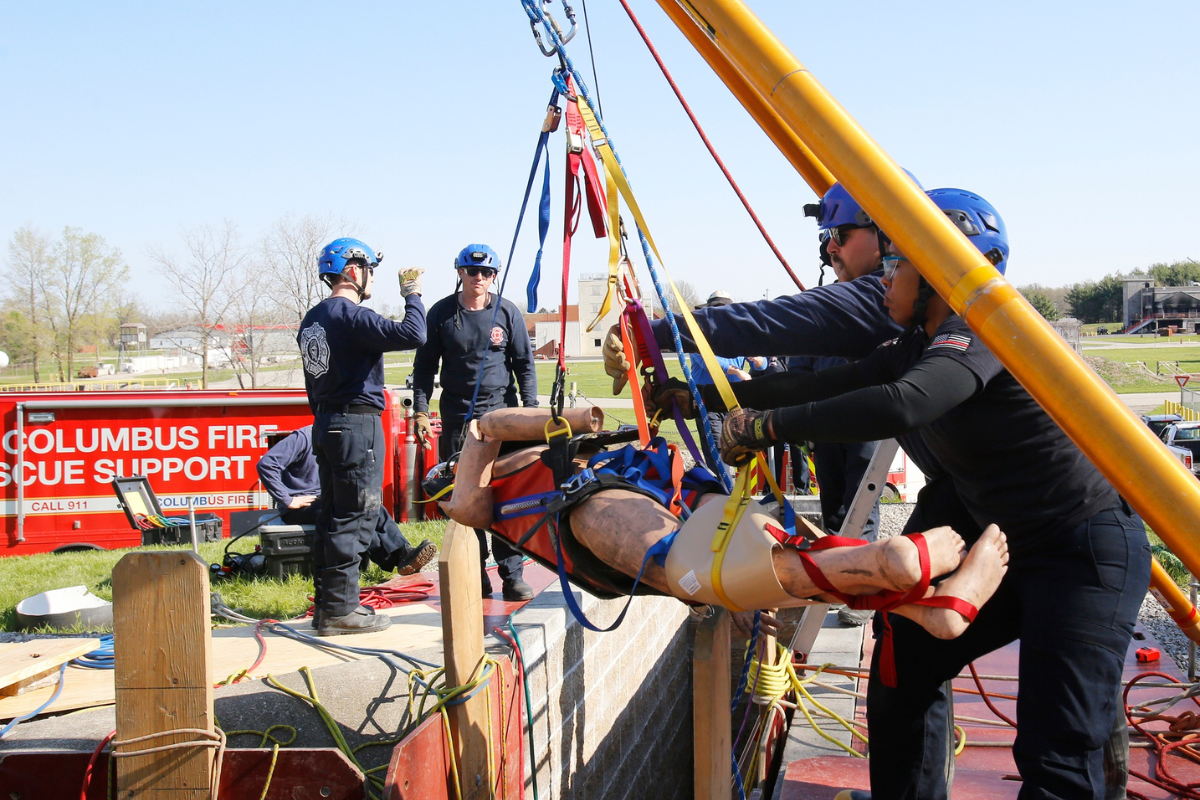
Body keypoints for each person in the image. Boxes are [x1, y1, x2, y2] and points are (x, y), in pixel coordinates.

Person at [695, 190, 1150, 800]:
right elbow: (819, 385)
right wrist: (697, 386)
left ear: (939, 272)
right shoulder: (919, 343)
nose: (881, 278)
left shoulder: (991, 328)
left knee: (1059, 747)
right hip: (1008, 542)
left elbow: (904, 402)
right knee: (903, 665)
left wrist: (767, 429)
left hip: (1082, 552)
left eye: (894, 265)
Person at [442, 406, 1010, 643]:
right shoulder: (484, 479)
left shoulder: (527, 462)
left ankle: (906, 587)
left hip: (631, 495)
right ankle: (901, 581)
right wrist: (551, 419)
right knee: (711, 563)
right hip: (607, 502)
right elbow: (478, 440)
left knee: (734, 554)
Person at [298, 237, 426, 636]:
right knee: (356, 514)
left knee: (334, 515)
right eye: (370, 269)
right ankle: (340, 610)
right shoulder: (351, 316)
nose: (371, 278)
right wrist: (413, 294)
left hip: (326, 422)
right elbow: (413, 334)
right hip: (357, 426)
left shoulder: (312, 320)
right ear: (355, 271)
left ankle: (329, 606)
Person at [410, 243, 538, 601]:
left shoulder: (507, 313)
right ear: (460, 273)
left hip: (501, 419)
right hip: (456, 420)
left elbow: (525, 365)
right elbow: (423, 369)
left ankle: (512, 575)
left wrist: (529, 410)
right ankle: (475, 573)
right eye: (471, 271)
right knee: (464, 500)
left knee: (506, 496)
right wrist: (421, 409)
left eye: (485, 273)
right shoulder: (440, 315)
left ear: (493, 276)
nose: (478, 278)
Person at [255, 426, 437, 579]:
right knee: (352, 514)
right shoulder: (303, 437)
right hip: (302, 505)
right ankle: (397, 561)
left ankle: (405, 554)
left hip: (328, 497)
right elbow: (267, 464)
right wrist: (288, 499)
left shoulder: (340, 439)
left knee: (372, 507)